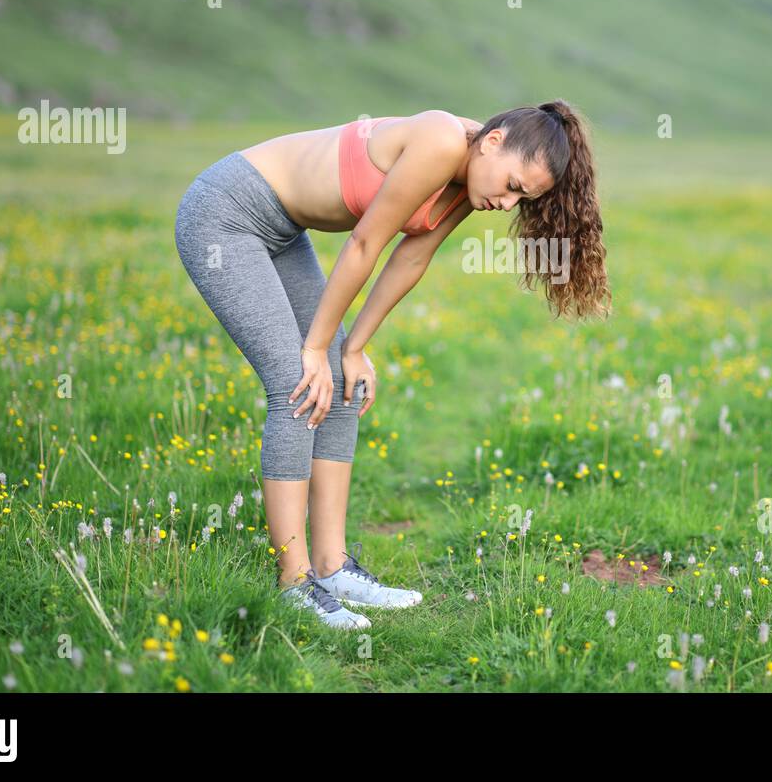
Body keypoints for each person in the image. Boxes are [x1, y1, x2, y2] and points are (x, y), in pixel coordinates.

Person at [174, 101, 610, 628]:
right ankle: (292, 582)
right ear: (493, 142)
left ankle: (331, 567)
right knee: (298, 384)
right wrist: (315, 349)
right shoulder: (441, 141)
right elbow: (365, 243)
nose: (507, 203)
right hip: (226, 215)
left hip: (283, 232)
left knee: (342, 383)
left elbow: (412, 257)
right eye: (513, 186)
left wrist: (352, 348)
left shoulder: (472, 180)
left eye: (522, 199)